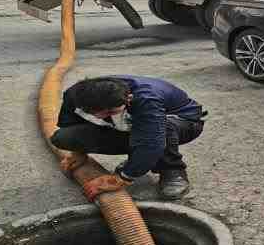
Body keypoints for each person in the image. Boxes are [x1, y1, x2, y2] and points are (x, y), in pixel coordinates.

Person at [51, 75, 207, 201]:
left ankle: (172, 170)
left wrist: (121, 178)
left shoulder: (146, 98)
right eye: (99, 113)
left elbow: (152, 142)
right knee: (64, 138)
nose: (104, 116)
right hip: (134, 126)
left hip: (184, 122)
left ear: (129, 98)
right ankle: (139, 159)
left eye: (111, 112)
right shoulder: (74, 95)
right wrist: (78, 153)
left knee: (161, 129)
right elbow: (70, 125)